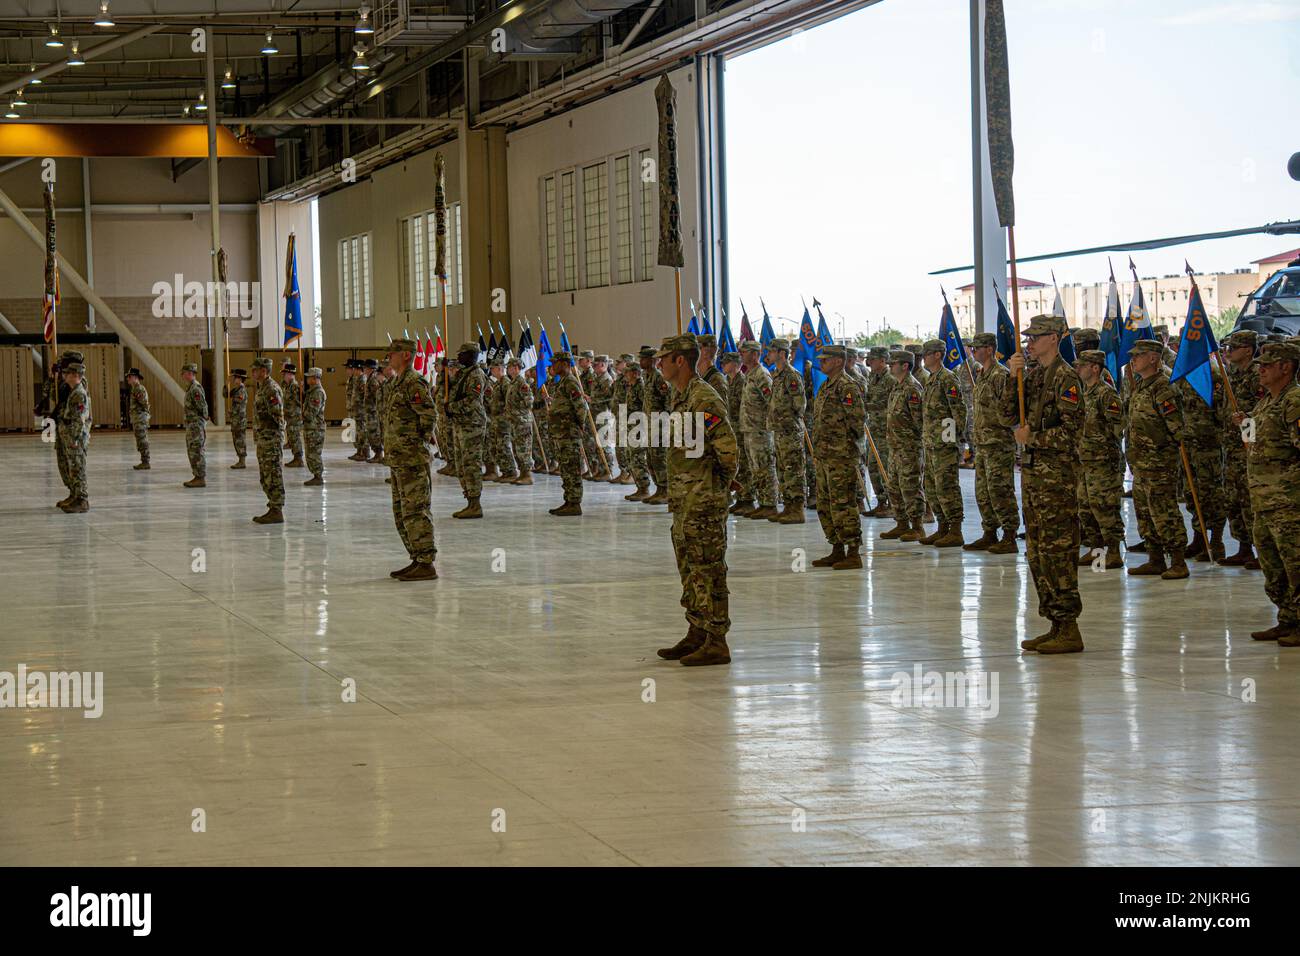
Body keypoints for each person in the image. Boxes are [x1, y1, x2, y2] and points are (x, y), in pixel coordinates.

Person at [652, 334, 739, 666]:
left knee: (709, 568)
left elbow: (727, 450)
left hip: (703, 501)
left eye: (664, 358)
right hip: (684, 500)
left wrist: (716, 486)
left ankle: (717, 640)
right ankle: (697, 630)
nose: (659, 363)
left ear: (680, 361)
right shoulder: (680, 396)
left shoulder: (704, 398)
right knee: (690, 569)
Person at [1004, 314, 1086, 654]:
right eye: (1029, 338)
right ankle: (1054, 622)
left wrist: (1033, 438)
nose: (1030, 343)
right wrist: (1013, 378)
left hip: (1057, 480)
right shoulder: (1034, 377)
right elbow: (1008, 416)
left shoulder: (1066, 378)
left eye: (1036, 338)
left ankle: (1069, 625)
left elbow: (1072, 433)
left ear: (1054, 338)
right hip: (1035, 477)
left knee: (1058, 552)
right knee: (1037, 552)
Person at [1242, 342, 1300, 644]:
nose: (1260, 370)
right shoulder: (1266, 402)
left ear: (1286, 367)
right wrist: (1244, 426)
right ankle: (1287, 618)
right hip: (1264, 499)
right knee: (1273, 565)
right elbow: (1252, 444)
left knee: (1296, 563)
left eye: (1267, 365)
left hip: (1288, 501)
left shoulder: (1295, 401)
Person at [1125, 338, 1189, 579]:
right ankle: (1156, 558)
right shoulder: (1141, 386)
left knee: (1164, 512)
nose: (1133, 360)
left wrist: (1167, 457)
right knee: (1144, 512)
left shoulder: (1163, 387)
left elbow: (1177, 429)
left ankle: (1179, 561)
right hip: (1141, 464)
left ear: (1153, 357)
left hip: (1159, 464)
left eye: (1138, 355)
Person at [384, 339, 439, 581]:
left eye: (392, 354)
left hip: (412, 459)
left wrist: (418, 444)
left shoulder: (414, 382)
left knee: (416, 510)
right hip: (398, 459)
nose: (389, 358)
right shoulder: (398, 382)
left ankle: (426, 562)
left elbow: (429, 415)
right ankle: (417, 558)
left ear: (405, 355)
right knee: (402, 512)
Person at [810, 345, 866, 570]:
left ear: (838, 362)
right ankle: (836, 548)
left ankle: (853, 552)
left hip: (841, 456)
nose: (821, 363)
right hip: (824, 456)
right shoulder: (825, 386)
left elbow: (857, 421)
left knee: (843, 504)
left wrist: (847, 447)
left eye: (826, 359)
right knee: (825, 505)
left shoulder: (847, 386)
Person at [965, 333, 1018, 553]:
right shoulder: (981, 373)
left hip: (998, 444)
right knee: (983, 492)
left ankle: (1009, 535)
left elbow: (1007, 409)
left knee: (1000, 491)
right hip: (982, 444)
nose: (973, 351)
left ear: (989, 349)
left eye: (977, 348)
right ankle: (989, 532)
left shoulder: (1000, 375)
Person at [1074, 349, 1125, 569]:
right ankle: (1097, 552)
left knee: (1105, 507)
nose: (1078, 369)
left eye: (1082, 365)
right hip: (1085, 460)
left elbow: (1118, 426)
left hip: (1103, 461)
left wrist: (1102, 445)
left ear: (1095, 367)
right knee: (1086, 508)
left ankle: (1114, 552)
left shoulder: (1106, 394)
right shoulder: (1084, 393)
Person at [919, 340, 966, 547]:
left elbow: (957, 411)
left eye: (927, 354)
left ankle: (955, 530)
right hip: (931, 443)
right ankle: (942, 527)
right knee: (932, 488)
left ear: (938, 355)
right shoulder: (932, 379)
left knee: (946, 487)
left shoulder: (947, 378)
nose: (924, 357)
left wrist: (951, 442)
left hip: (944, 445)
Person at [1221, 330, 1262, 568]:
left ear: (1247, 350)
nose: (1228, 352)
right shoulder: (1232, 375)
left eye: (1233, 348)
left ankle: (1260, 549)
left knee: (1249, 499)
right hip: (1232, 445)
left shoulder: (1257, 375)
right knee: (1234, 499)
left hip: (1251, 443)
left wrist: (1248, 419)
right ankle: (1243, 547)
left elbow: (1266, 409)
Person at [881, 350, 925, 541]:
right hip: (895, 447)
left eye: (893, 363)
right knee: (894, 487)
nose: (890, 366)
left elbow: (919, 421)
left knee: (910, 486)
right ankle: (901, 523)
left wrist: (913, 443)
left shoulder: (912, 389)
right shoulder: (897, 387)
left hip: (909, 448)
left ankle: (917, 526)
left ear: (905, 366)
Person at [766, 337, 807, 523]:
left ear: (782, 353)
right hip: (779, 430)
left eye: (772, 351)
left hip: (790, 431)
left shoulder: (792, 376)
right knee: (782, 469)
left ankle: (797, 509)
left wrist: (787, 420)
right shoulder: (776, 375)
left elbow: (800, 405)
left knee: (794, 469)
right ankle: (788, 506)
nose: (769, 354)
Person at [444, 342, 487, 518]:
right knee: (462, 465)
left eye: (462, 354)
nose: (459, 357)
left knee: (471, 465)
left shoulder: (476, 376)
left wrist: (451, 407)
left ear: (471, 355)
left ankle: (475, 504)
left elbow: (472, 401)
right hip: (461, 425)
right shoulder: (464, 373)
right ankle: (469, 499)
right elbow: (452, 389)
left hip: (472, 426)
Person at [738, 341, 778, 519]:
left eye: (744, 352)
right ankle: (762, 502)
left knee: (764, 466)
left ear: (755, 354)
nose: (741, 355)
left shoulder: (762, 375)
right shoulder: (750, 374)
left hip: (760, 430)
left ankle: (769, 504)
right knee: (755, 468)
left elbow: (772, 402)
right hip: (749, 428)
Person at [547, 351, 588, 516]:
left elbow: (581, 407)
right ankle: (569, 500)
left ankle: (575, 503)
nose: (552, 366)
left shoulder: (571, 382)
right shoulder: (562, 382)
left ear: (564, 364)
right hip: (562, 434)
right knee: (566, 468)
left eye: (555, 363)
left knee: (572, 468)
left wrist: (579, 426)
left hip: (569, 433)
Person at [249, 357, 285, 524]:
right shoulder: (262, 388)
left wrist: (275, 438)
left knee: (273, 473)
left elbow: (278, 415)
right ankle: (273, 507)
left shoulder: (271, 389)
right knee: (266, 474)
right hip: (264, 438)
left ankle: (277, 510)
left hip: (271, 438)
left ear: (264, 371)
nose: (252, 373)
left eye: (255, 370)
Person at [862, 346, 895, 518]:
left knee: (886, 468)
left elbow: (891, 405)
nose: (869, 362)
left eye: (872, 359)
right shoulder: (872, 377)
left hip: (885, 432)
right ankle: (881, 502)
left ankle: (891, 503)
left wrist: (869, 407)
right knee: (873, 467)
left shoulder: (890, 379)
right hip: (873, 430)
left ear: (883, 360)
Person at [57, 360, 91, 513]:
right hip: (70, 437)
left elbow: (79, 420)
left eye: (68, 373)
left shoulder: (79, 393)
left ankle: (82, 500)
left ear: (76, 375)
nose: (65, 375)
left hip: (76, 439)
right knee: (73, 469)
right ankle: (75, 495)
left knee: (78, 468)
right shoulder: (73, 391)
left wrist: (74, 440)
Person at [640, 346, 671, 503]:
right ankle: (659, 488)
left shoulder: (659, 377)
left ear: (653, 360)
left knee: (659, 457)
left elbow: (667, 400)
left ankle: (666, 490)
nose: (641, 361)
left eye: (644, 358)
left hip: (659, 425)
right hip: (649, 423)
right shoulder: (647, 376)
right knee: (651, 458)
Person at [485, 357, 517, 482]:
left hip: (503, 421)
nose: (491, 371)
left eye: (492, 369)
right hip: (496, 420)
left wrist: (504, 416)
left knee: (504, 446)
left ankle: (511, 472)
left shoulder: (505, 383)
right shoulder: (498, 383)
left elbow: (509, 402)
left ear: (499, 369)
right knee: (497, 447)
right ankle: (504, 471)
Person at [505, 357, 535, 485]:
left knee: (524, 448)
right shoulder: (513, 382)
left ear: (516, 368)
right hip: (514, 421)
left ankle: (527, 475)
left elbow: (529, 402)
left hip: (522, 421)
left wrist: (517, 411)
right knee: (517, 449)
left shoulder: (522, 383)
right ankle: (522, 473)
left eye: (510, 367)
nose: (508, 369)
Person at [181, 362, 207, 488]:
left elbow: (202, 407)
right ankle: (197, 476)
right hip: (192, 425)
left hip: (196, 425)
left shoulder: (195, 388)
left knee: (197, 450)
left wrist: (199, 423)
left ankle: (200, 478)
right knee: (193, 450)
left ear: (190, 374)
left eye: (184, 373)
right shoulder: (191, 387)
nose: (182, 375)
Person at [590, 354, 616, 481]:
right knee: (597, 444)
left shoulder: (607, 379)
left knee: (604, 443)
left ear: (602, 365)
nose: (593, 367)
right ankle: (600, 469)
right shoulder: (597, 378)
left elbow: (608, 398)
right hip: (595, 413)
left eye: (595, 364)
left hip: (603, 414)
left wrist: (592, 399)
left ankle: (608, 469)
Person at [303, 367, 327, 486]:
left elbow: (312, 412)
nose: (307, 379)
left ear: (315, 378)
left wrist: (301, 415)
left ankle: (318, 476)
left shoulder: (318, 392)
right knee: (310, 453)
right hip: (311, 427)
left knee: (314, 453)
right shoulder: (312, 391)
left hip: (315, 428)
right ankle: (316, 475)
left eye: (309, 377)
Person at [126, 367, 150, 470]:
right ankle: (144, 461)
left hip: (140, 418)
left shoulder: (139, 389)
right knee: (140, 440)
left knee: (142, 440)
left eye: (129, 377)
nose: (128, 379)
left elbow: (144, 403)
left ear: (135, 377)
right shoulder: (134, 389)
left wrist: (142, 416)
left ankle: (145, 462)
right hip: (137, 418)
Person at [282, 362, 305, 468]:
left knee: (295, 438)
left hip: (295, 417)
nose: (283, 376)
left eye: (285, 374)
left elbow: (301, 401)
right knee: (292, 438)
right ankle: (296, 457)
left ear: (290, 374)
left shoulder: (295, 387)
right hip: (289, 417)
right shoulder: (287, 386)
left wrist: (302, 390)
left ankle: (299, 459)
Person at [229, 368, 248, 469]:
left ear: (240, 379)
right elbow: (225, 394)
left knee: (240, 440)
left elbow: (238, 403)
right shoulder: (236, 389)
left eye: (235, 377)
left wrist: (233, 411)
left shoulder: (241, 390)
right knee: (236, 440)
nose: (233, 379)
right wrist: (226, 385)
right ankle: (240, 460)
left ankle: (242, 461)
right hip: (235, 419)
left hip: (240, 420)